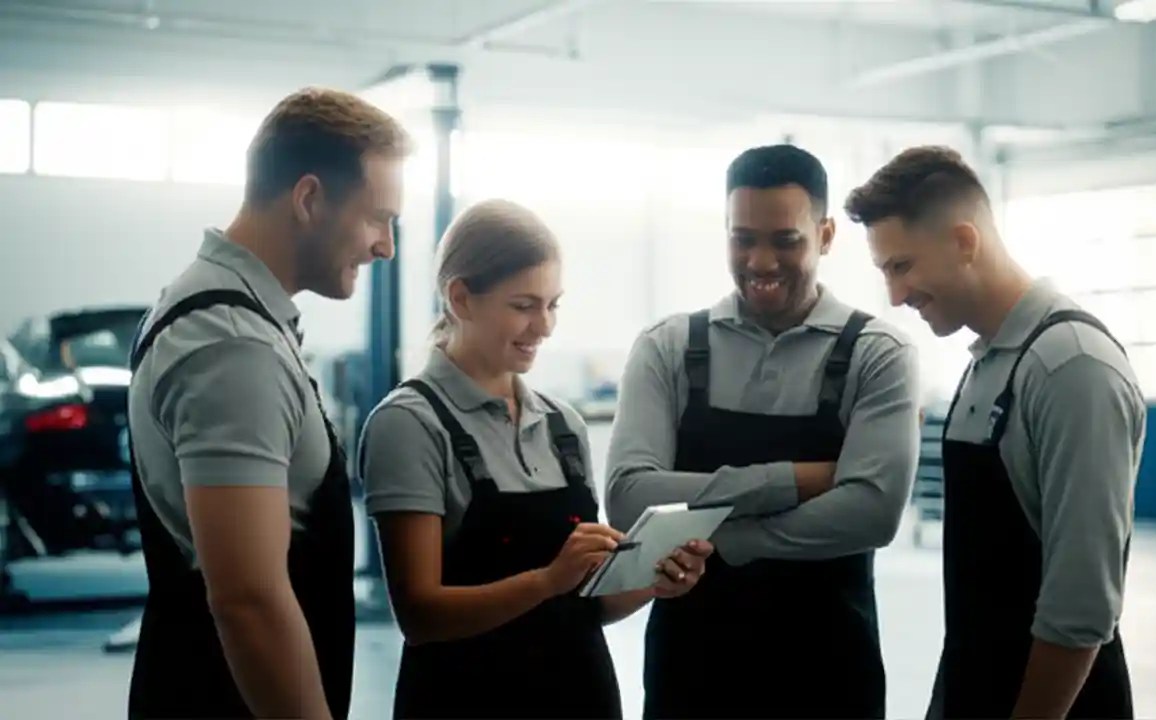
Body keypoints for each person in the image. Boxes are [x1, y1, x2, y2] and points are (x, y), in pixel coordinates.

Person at [358, 198, 714, 720]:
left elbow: (585, 602)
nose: (544, 326)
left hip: (580, 697)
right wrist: (546, 580)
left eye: (553, 304)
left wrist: (652, 582)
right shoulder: (410, 424)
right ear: (461, 297)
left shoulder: (563, 425)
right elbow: (421, 615)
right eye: (524, 306)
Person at [605, 144, 922, 719]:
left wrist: (722, 538)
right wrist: (799, 481)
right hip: (691, 674)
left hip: (829, 675)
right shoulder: (668, 347)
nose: (760, 262)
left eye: (785, 240)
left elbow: (873, 512)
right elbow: (628, 497)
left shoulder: (878, 354)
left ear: (825, 236)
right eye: (742, 238)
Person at [126, 87, 411, 719]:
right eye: (377, 218)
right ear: (309, 198)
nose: (385, 246)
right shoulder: (233, 345)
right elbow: (248, 599)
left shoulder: (231, 314)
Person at [845, 145, 1144, 720]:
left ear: (964, 241)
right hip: (976, 688)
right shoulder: (988, 363)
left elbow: (1080, 605)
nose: (895, 296)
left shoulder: (1071, 368)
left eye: (901, 266)